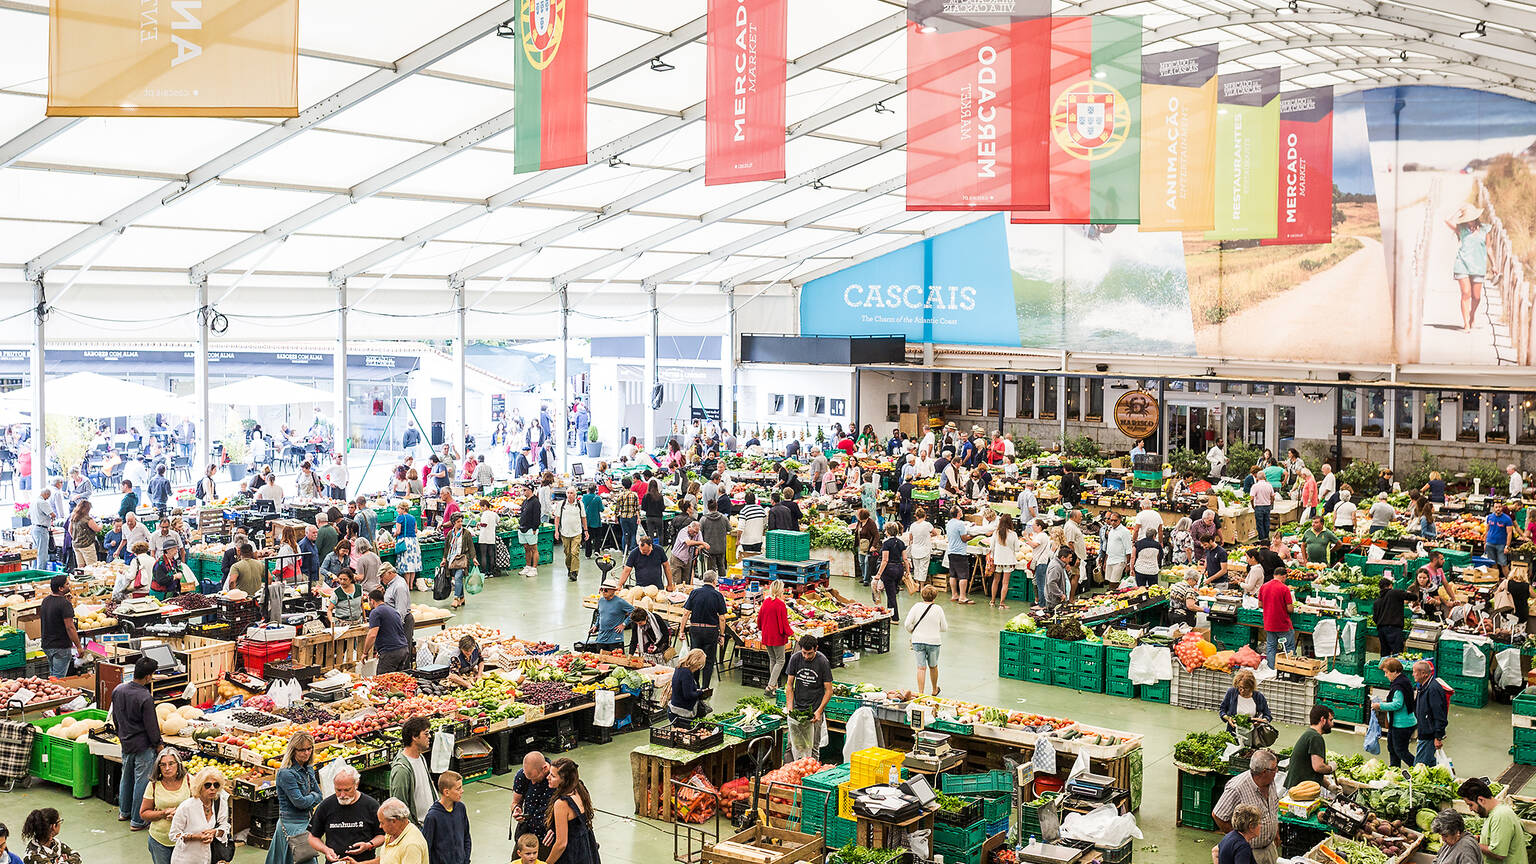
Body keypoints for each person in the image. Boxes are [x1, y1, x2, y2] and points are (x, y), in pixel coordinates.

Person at [111, 655, 163, 831]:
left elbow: (115, 718)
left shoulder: (118, 690)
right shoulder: (145, 697)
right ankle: (138, 820)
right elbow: (151, 726)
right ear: (148, 676)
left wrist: (121, 734)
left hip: (126, 743)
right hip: (143, 746)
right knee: (142, 781)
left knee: (126, 778)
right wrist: (158, 744)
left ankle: (124, 812)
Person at [1212, 750, 1282, 864]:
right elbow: (1218, 815)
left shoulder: (1270, 781)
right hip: (1251, 852)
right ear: (1264, 771)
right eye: (1274, 768)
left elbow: (1273, 810)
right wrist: (1240, 839)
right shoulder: (1237, 788)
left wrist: (1275, 834)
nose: (1277, 771)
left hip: (1269, 849)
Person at [266, 732, 323, 864]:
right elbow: (300, 802)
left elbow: (319, 796)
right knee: (307, 859)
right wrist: (312, 796)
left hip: (306, 822)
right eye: (302, 750)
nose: (307, 753)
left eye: (309, 749)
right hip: (292, 825)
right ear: (293, 750)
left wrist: (311, 797)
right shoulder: (286, 773)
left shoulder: (308, 769)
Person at [307, 764, 383, 862]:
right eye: (338, 790)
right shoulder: (326, 805)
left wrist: (369, 845)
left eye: (347, 790)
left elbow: (382, 835)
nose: (342, 795)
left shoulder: (371, 806)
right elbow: (312, 837)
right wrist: (326, 850)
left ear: (356, 784)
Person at [785, 635, 834, 762]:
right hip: (797, 710)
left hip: (814, 712)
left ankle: (811, 776)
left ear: (816, 648)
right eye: (804, 653)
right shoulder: (795, 658)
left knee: (813, 747)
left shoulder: (822, 662)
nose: (806, 656)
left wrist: (819, 711)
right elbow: (789, 685)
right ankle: (788, 774)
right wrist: (790, 708)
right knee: (792, 745)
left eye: (810, 653)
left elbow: (829, 690)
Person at [1459, 777, 1526, 864]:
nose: (1470, 809)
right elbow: (1495, 839)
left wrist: (1471, 843)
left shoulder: (1501, 816)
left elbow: (1498, 853)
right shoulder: (1492, 813)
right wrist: (1478, 839)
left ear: (1481, 800)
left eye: (1470, 805)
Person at [141, 749, 192, 864]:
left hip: (186, 839)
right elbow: (144, 813)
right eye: (163, 765)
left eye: (171, 764)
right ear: (158, 767)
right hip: (160, 840)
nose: (167, 768)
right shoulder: (153, 785)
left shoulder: (189, 781)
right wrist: (163, 813)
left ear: (178, 764)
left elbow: (201, 808)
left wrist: (180, 815)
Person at [1446, 202, 1491, 332]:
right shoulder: (1461, 229)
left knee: (1476, 297)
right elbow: (1447, 220)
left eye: (1471, 217)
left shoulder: (1485, 229)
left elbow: (1489, 248)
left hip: (1478, 266)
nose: (1469, 220)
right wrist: (1458, 212)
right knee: (1466, 293)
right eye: (1467, 218)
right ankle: (1466, 323)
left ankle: (1472, 316)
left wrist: (1493, 265)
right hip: (1462, 264)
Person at [544, 758, 597, 864]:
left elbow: (561, 844)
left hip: (571, 855)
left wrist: (547, 863)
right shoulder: (579, 788)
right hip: (586, 849)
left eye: (553, 776)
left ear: (564, 780)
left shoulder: (561, 803)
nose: (548, 777)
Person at [681, 570, 728, 688]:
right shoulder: (718, 595)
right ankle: (705, 687)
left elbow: (686, 613)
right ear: (714, 581)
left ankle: (695, 685)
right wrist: (722, 635)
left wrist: (681, 631)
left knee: (694, 658)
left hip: (695, 630)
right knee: (709, 660)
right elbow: (722, 618)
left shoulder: (694, 593)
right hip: (711, 631)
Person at [1372, 657, 1420, 768]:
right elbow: (1398, 700)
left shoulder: (1399, 686)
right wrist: (1386, 701)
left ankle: (1418, 768)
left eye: (1386, 672)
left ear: (1394, 672)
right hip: (1397, 723)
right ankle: (1394, 769)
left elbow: (1397, 704)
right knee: (1392, 748)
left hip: (1402, 724)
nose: (1385, 675)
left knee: (1400, 750)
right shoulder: (1403, 681)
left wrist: (1380, 705)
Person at [389, 717, 435, 825]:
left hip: (429, 823)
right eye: (426, 733)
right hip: (418, 827)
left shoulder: (421, 758)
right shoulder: (401, 770)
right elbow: (399, 807)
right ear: (414, 737)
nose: (429, 736)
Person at [904, 585, 947, 696]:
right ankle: (934, 689)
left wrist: (912, 631)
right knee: (933, 666)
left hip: (918, 641)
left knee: (921, 668)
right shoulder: (938, 609)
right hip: (933, 642)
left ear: (922, 595)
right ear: (935, 596)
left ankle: (921, 693)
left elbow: (907, 624)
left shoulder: (916, 606)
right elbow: (944, 628)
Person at [39, 574, 83, 679]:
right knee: (58, 679)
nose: (69, 585)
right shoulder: (64, 604)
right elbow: (70, 627)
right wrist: (79, 646)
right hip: (60, 646)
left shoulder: (46, 601)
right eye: (67, 584)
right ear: (61, 588)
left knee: (53, 675)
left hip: (47, 645)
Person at [421, 772, 471, 864]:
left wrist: (466, 859)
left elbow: (466, 836)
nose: (462, 791)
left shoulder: (461, 808)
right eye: (458, 788)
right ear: (446, 792)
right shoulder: (432, 817)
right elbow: (426, 848)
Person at [1284, 705, 1335, 789]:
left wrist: (1329, 786)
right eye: (1330, 720)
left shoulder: (1309, 734)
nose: (1332, 724)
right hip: (1300, 790)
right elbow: (1318, 767)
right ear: (1323, 720)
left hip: (1297, 788)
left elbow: (1312, 771)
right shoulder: (1316, 737)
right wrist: (1331, 768)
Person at [511, 753, 553, 849]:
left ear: (545, 768)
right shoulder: (521, 776)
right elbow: (515, 802)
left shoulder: (557, 777)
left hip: (548, 836)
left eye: (535, 778)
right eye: (529, 778)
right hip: (527, 832)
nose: (532, 783)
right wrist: (516, 809)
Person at [364, 588, 411, 674]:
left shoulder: (375, 612)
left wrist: (365, 652)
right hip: (403, 649)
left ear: (372, 601)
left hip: (390, 652)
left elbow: (372, 635)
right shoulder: (393, 611)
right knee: (397, 680)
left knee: (383, 681)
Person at [757, 579, 792, 696]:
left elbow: (759, 619)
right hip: (777, 636)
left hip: (767, 635)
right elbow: (784, 623)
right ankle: (770, 685)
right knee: (781, 660)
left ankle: (774, 687)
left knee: (773, 659)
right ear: (780, 590)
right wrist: (792, 634)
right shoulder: (780, 604)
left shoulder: (766, 602)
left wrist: (762, 629)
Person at [1414, 659, 1450, 766]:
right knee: (1429, 763)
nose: (1413, 675)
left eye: (1415, 672)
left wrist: (1438, 737)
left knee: (1419, 766)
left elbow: (1439, 714)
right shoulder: (1423, 686)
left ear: (1424, 674)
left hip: (1428, 735)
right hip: (1424, 731)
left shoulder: (1433, 689)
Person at [944, 506, 983, 604]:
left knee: (953, 574)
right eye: (960, 511)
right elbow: (964, 538)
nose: (962, 512)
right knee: (963, 576)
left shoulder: (949, 523)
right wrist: (975, 536)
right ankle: (962, 597)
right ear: (958, 513)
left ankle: (954, 594)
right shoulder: (960, 524)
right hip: (960, 552)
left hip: (951, 551)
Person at [1258, 571, 1295, 668]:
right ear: (1283, 576)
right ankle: (1288, 669)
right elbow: (1290, 609)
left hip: (1269, 624)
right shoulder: (1284, 588)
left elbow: (1260, 605)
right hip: (1283, 624)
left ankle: (1271, 669)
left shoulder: (1264, 586)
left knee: (1271, 648)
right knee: (1289, 648)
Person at [984, 513, 1019, 610]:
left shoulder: (996, 533)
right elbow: (1017, 549)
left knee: (995, 581)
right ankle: (1002, 603)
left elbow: (991, 547)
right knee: (1005, 583)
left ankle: (992, 601)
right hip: (1008, 561)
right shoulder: (1013, 534)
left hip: (997, 560)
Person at [376, 798, 429, 864]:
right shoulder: (392, 833)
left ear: (393, 821)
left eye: (382, 823)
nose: (380, 826)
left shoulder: (411, 845)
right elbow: (386, 859)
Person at [587, 580, 632, 652]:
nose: (603, 592)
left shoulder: (620, 602)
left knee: (616, 661)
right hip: (601, 639)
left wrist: (624, 624)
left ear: (613, 591)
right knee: (601, 662)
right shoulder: (601, 601)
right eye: (602, 589)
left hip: (615, 640)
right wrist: (596, 625)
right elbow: (600, 614)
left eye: (605, 590)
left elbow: (634, 612)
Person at [875, 521, 908, 621]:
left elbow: (885, 560)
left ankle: (895, 618)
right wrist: (908, 571)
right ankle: (890, 613)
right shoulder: (901, 543)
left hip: (889, 570)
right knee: (892, 592)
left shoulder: (886, 544)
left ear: (888, 532)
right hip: (899, 569)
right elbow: (905, 559)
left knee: (891, 594)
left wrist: (878, 574)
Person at [555, 489, 587, 583]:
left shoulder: (580, 504)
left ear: (575, 494)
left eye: (571, 493)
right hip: (565, 533)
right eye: (568, 493)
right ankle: (569, 568)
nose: (569, 495)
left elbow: (583, 518)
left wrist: (586, 530)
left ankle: (574, 572)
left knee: (574, 552)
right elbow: (557, 518)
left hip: (577, 532)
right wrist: (556, 531)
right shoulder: (561, 504)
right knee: (567, 553)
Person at [1374, 577, 1413, 656]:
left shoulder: (1377, 601)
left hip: (1381, 630)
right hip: (1394, 629)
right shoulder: (1395, 593)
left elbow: (1375, 618)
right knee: (1397, 653)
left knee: (1385, 653)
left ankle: (1384, 667)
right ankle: (1395, 668)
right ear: (1391, 586)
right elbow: (1412, 597)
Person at [669, 649, 710, 721]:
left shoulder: (679, 668)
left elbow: (683, 689)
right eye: (700, 665)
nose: (699, 668)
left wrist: (697, 691)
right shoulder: (686, 673)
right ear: (696, 663)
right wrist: (701, 692)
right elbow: (688, 695)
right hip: (682, 710)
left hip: (674, 706)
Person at [1101, 510, 1133, 589]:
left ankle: (1112, 596)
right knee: (1109, 581)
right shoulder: (1111, 530)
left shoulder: (1125, 532)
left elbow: (1128, 549)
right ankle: (1112, 595)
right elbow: (1109, 547)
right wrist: (1105, 561)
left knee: (1114, 582)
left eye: (1115, 520)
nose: (1113, 522)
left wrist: (1128, 564)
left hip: (1119, 561)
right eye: (1111, 520)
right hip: (1110, 560)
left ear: (1120, 520)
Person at [1487, 501, 1515, 577]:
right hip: (1490, 543)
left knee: (1503, 564)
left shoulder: (1507, 519)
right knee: (1493, 563)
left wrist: (1507, 546)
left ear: (1502, 507)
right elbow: (1487, 530)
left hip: (1501, 545)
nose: (1498, 509)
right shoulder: (1490, 517)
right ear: (1494, 508)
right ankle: (1496, 581)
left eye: (1499, 507)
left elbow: (1509, 533)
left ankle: (1509, 581)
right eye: (1496, 507)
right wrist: (1485, 542)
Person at [518, 490, 542, 578]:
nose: (523, 492)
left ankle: (534, 569)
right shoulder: (525, 501)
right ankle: (528, 566)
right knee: (526, 548)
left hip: (531, 529)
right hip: (522, 528)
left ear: (530, 490)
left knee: (533, 548)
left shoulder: (535, 502)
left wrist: (535, 527)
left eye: (525, 490)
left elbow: (537, 515)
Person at [736, 492, 767, 557]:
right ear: (755, 500)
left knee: (747, 561)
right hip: (758, 540)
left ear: (745, 500)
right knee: (756, 560)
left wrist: (738, 540)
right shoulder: (761, 509)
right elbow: (765, 524)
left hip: (747, 541)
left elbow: (740, 528)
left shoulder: (744, 511)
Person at [612, 485, 640, 556]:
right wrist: (638, 518)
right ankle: (633, 551)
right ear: (630, 485)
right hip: (632, 517)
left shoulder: (620, 495)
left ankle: (625, 551)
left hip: (623, 517)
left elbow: (617, 508)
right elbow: (637, 508)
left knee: (625, 534)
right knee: (633, 533)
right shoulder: (634, 495)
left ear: (623, 486)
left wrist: (615, 517)